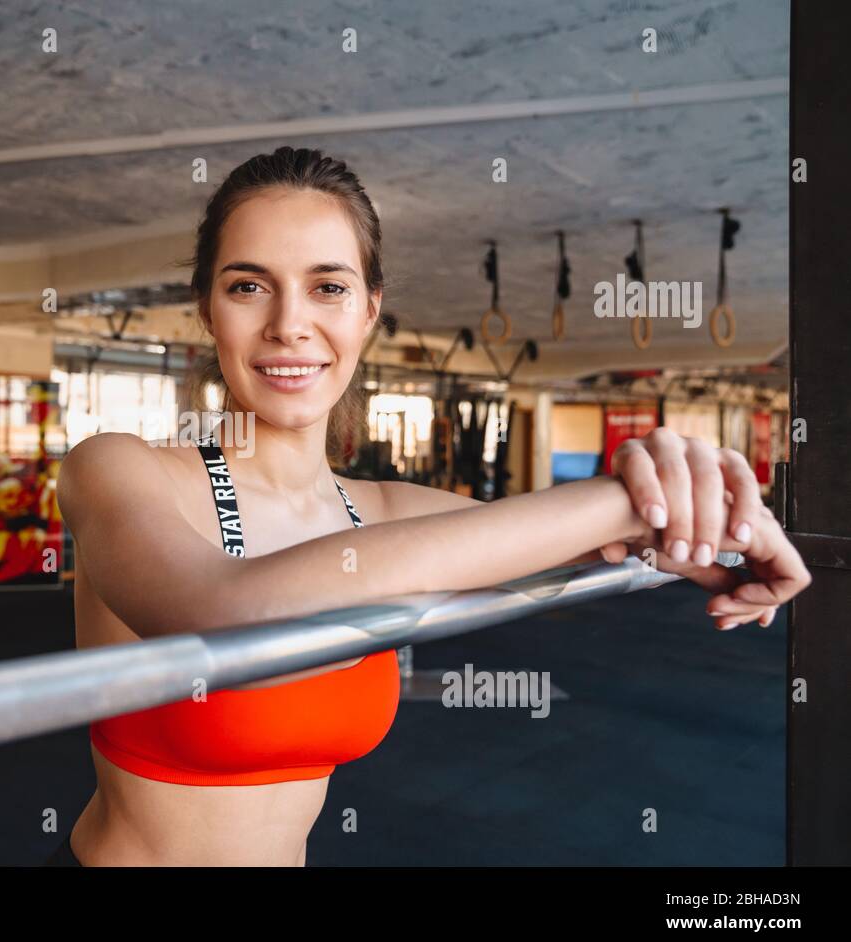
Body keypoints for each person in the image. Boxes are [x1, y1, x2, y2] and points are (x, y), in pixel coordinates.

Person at [49, 146, 810, 867]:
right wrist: (618, 501)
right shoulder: (118, 470)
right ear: (208, 307)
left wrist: (694, 512)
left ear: (369, 311)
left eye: (329, 286)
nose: (288, 322)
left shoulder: (381, 510)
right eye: (248, 284)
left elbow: (578, 540)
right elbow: (225, 611)